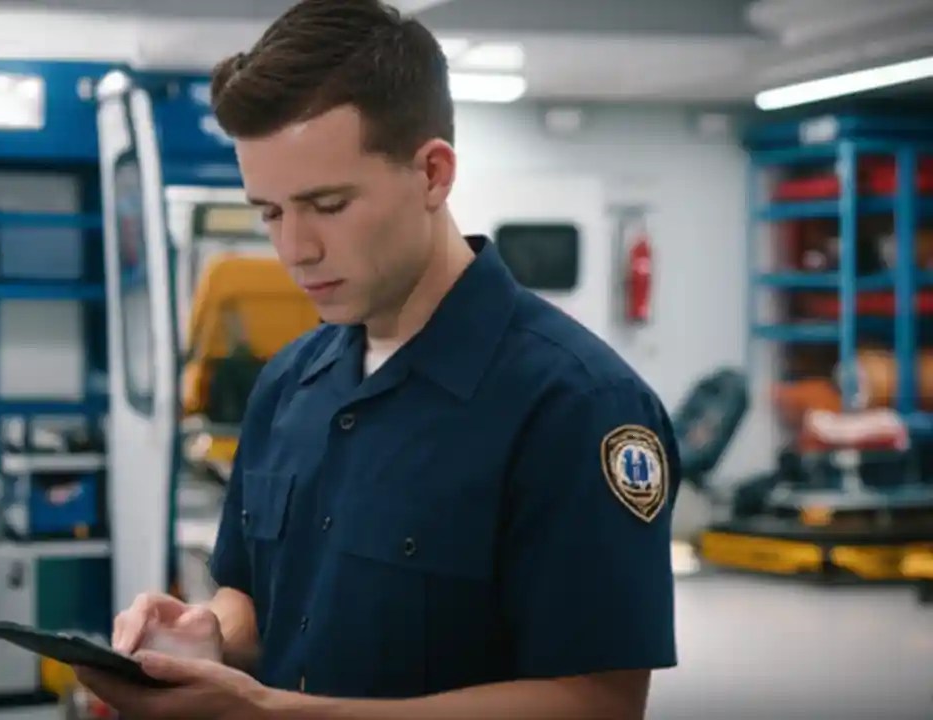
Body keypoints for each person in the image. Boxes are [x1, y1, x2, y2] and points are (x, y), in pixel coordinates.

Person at [72, 0, 681, 717]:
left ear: (432, 174)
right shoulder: (288, 384)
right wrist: (209, 638)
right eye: (269, 212)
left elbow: (596, 704)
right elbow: (257, 594)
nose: (294, 248)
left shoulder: (578, 407)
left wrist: (274, 717)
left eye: (326, 205)